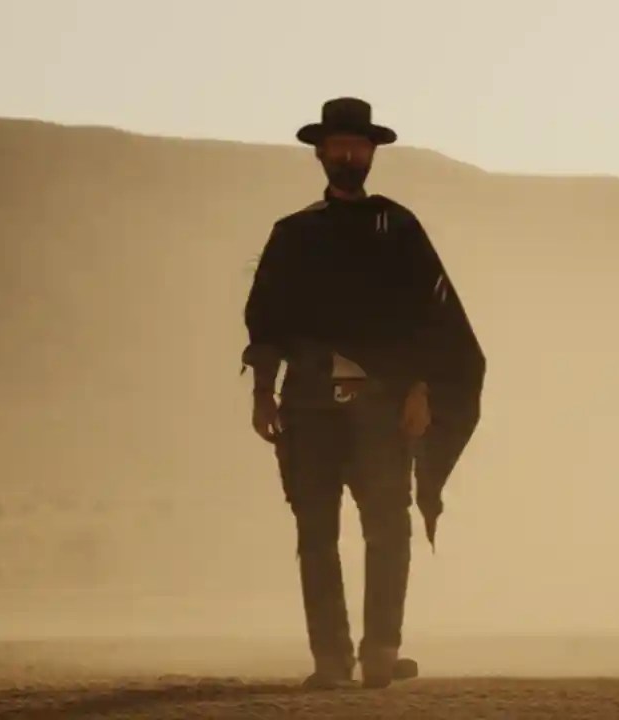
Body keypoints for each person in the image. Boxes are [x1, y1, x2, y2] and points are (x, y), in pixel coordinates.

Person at [241, 97, 485, 689]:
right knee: (316, 532)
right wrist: (263, 395)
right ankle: (330, 659)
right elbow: (266, 320)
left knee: (387, 526)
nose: (348, 155)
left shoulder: (398, 229)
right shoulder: (294, 234)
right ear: (321, 153)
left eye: (358, 145)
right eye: (338, 145)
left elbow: (435, 319)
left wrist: (423, 389)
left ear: (372, 153)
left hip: (383, 403)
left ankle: (379, 651)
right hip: (308, 403)